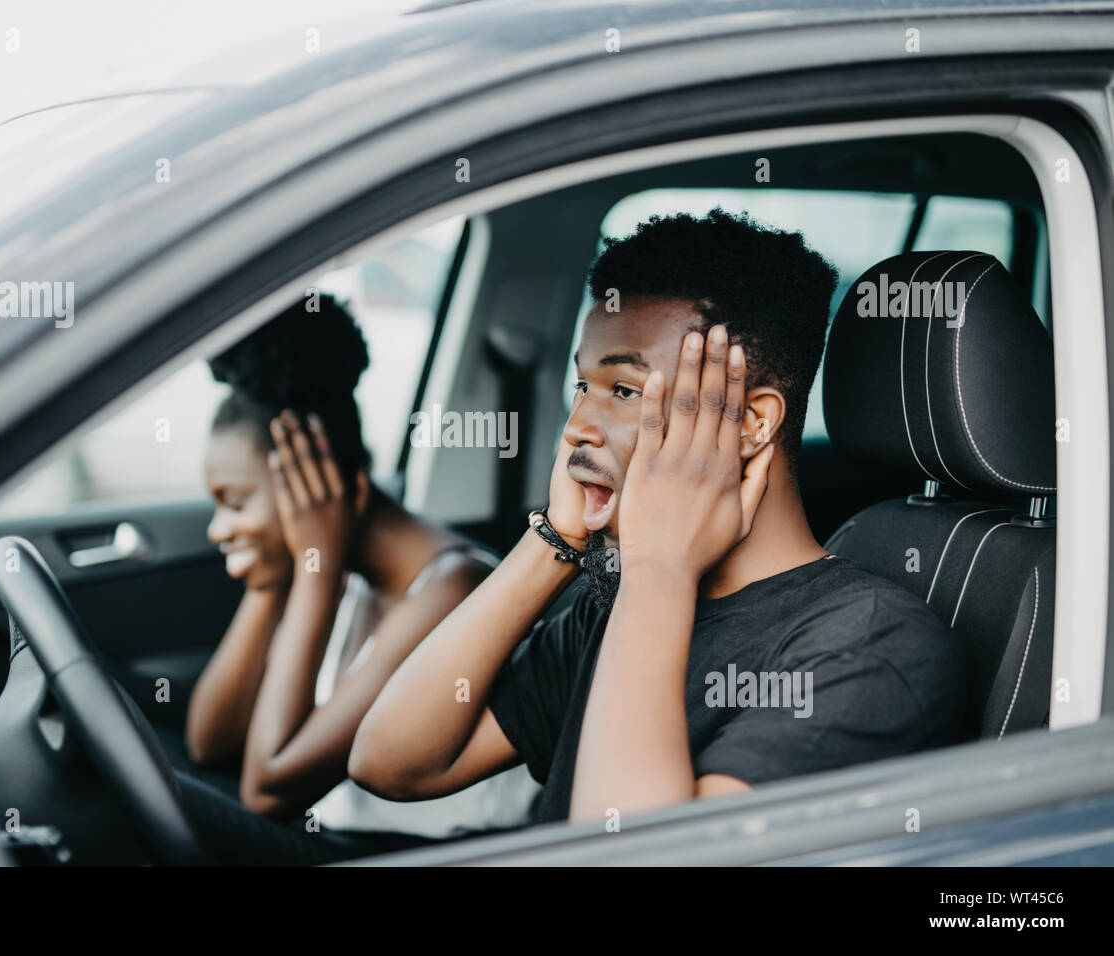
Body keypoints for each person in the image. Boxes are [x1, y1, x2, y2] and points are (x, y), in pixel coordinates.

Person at [350, 209, 970, 825]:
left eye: (623, 391)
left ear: (753, 423)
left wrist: (662, 568)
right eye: (581, 389)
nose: (574, 431)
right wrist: (557, 539)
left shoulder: (870, 646)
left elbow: (629, 856)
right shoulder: (616, 601)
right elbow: (391, 761)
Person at [175, 293, 539, 863]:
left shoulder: (453, 589)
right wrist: (272, 586)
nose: (219, 529)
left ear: (320, 486)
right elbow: (209, 743)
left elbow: (267, 789)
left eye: (237, 502)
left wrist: (315, 572)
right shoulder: (343, 568)